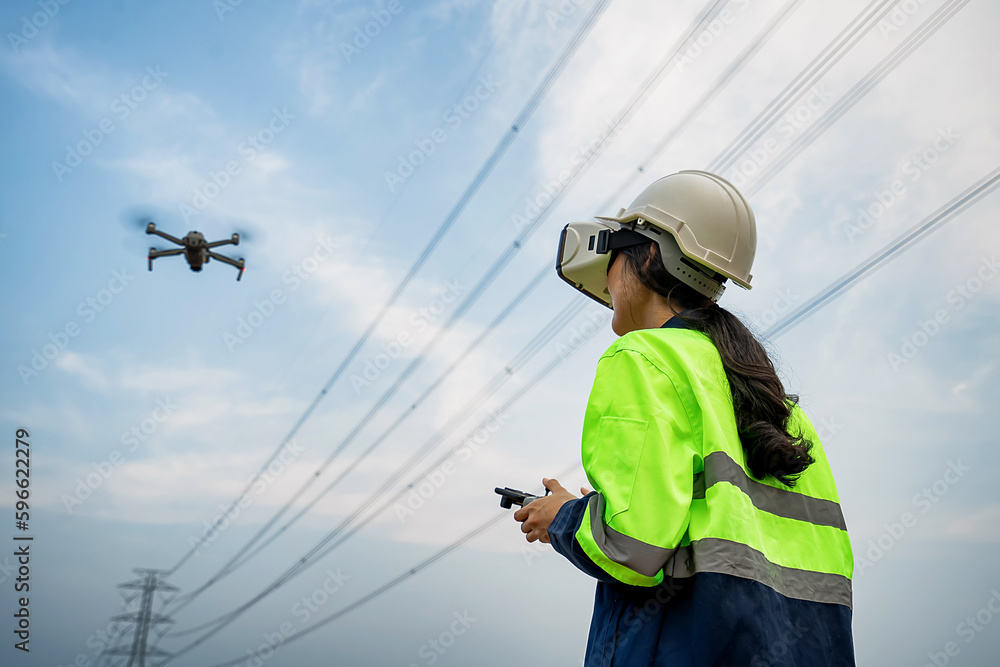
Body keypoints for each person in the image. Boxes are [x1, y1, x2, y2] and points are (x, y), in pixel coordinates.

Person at [512, 170, 855, 666]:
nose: (606, 275)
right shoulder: (780, 404)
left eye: (614, 256)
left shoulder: (643, 357)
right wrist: (611, 507)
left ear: (648, 255)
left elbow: (633, 547)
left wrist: (563, 517)